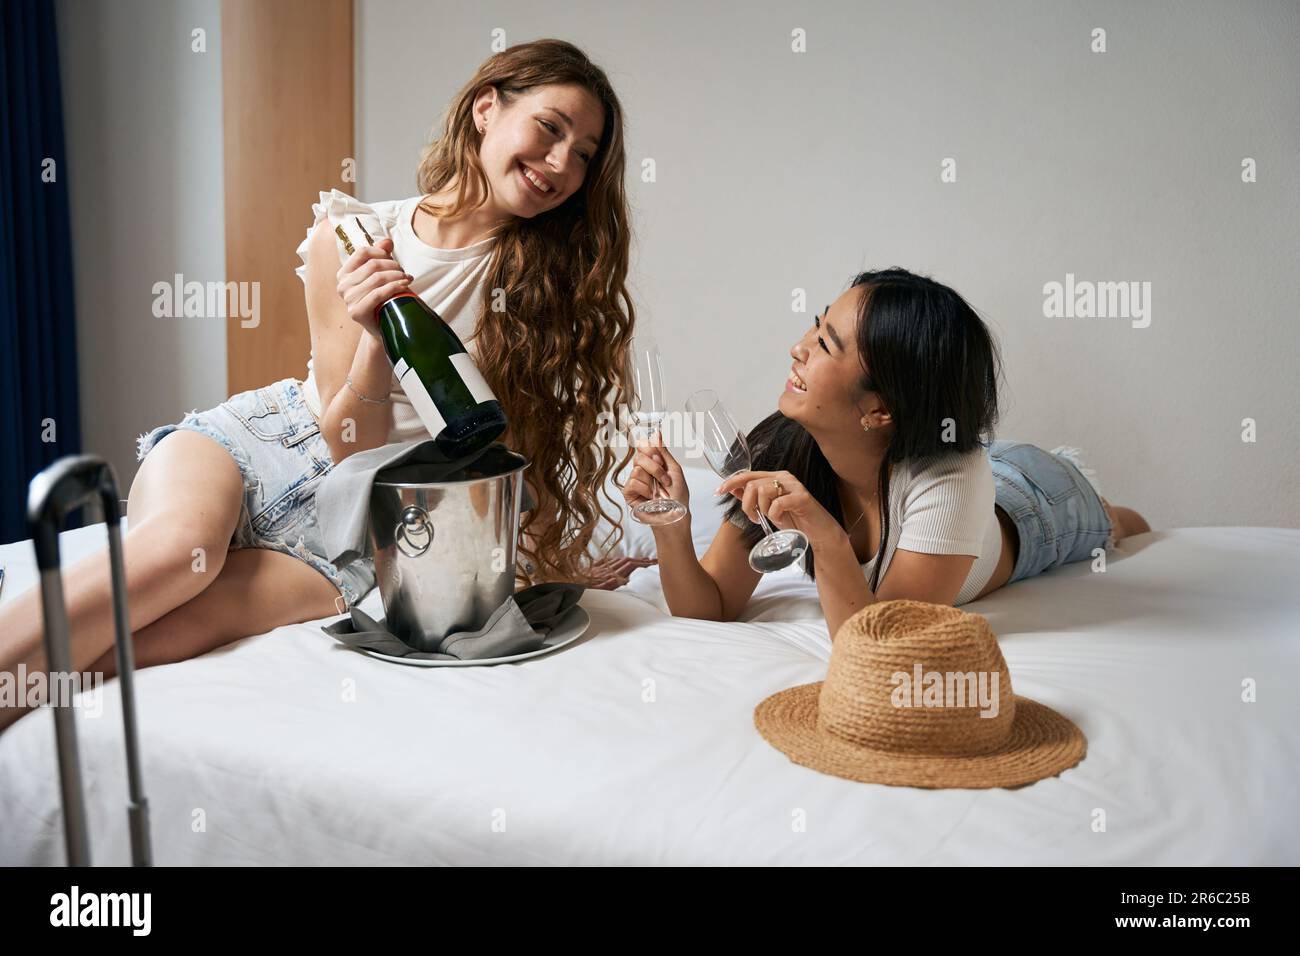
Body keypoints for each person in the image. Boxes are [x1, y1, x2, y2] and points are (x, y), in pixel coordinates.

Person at [0, 39, 643, 732]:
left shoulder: (548, 291)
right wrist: (375, 340)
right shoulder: (355, 234)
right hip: (269, 444)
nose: (561, 163)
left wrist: (543, 564)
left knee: (173, 631)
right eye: (551, 128)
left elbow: (503, 455)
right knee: (173, 558)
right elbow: (343, 437)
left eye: (584, 153)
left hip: (374, 524)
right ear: (487, 109)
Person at [622, 268, 1150, 639]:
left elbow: (873, 641)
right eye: (817, 323)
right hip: (964, 470)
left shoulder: (953, 482)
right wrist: (671, 524)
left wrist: (822, 532)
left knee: (1119, 523)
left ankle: (1100, 501)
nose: (798, 347)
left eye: (826, 344)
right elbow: (710, 607)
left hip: (1037, 503)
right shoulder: (784, 445)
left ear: (880, 409)